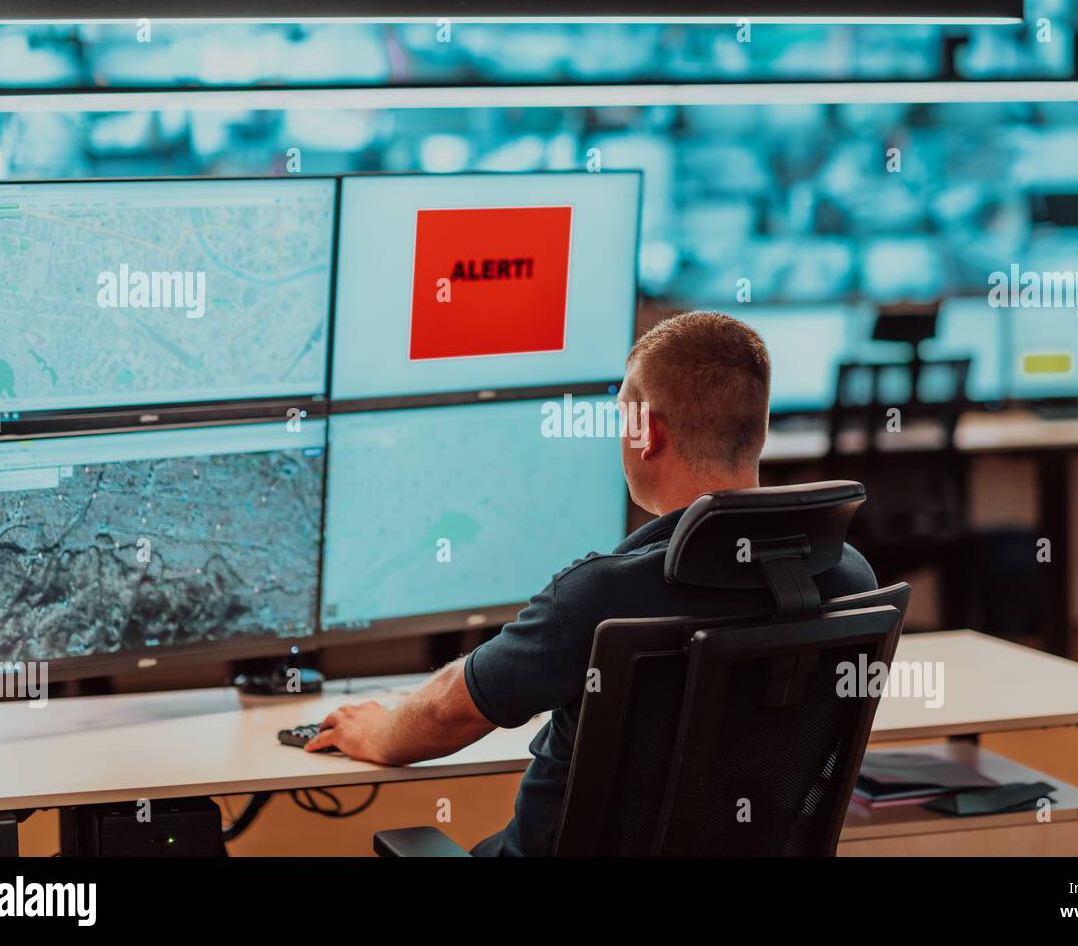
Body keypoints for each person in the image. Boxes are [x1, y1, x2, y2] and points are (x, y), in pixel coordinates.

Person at [306, 310, 877, 855]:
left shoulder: (601, 599)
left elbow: (443, 717)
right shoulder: (848, 579)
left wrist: (379, 731)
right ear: (760, 430)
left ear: (646, 432)